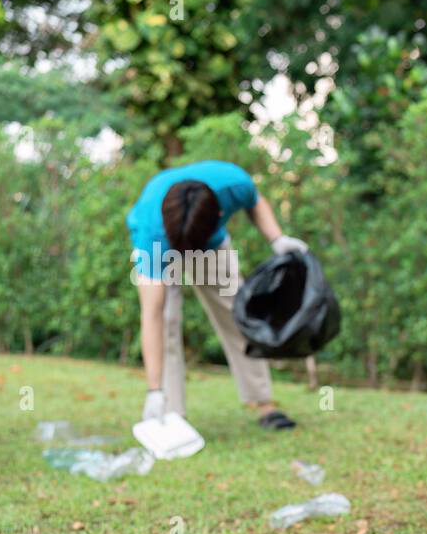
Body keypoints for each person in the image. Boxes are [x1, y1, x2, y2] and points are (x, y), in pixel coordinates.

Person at [127, 159, 308, 430]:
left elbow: (255, 201)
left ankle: (263, 403)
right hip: (164, 244)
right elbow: (152, 316)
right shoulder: (152, 233)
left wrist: (276, 238)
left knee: (238, 314)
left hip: (212, 247)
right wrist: (153, 389)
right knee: (166, 321)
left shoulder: (233, 183)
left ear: (222, 213)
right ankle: (168, 412)